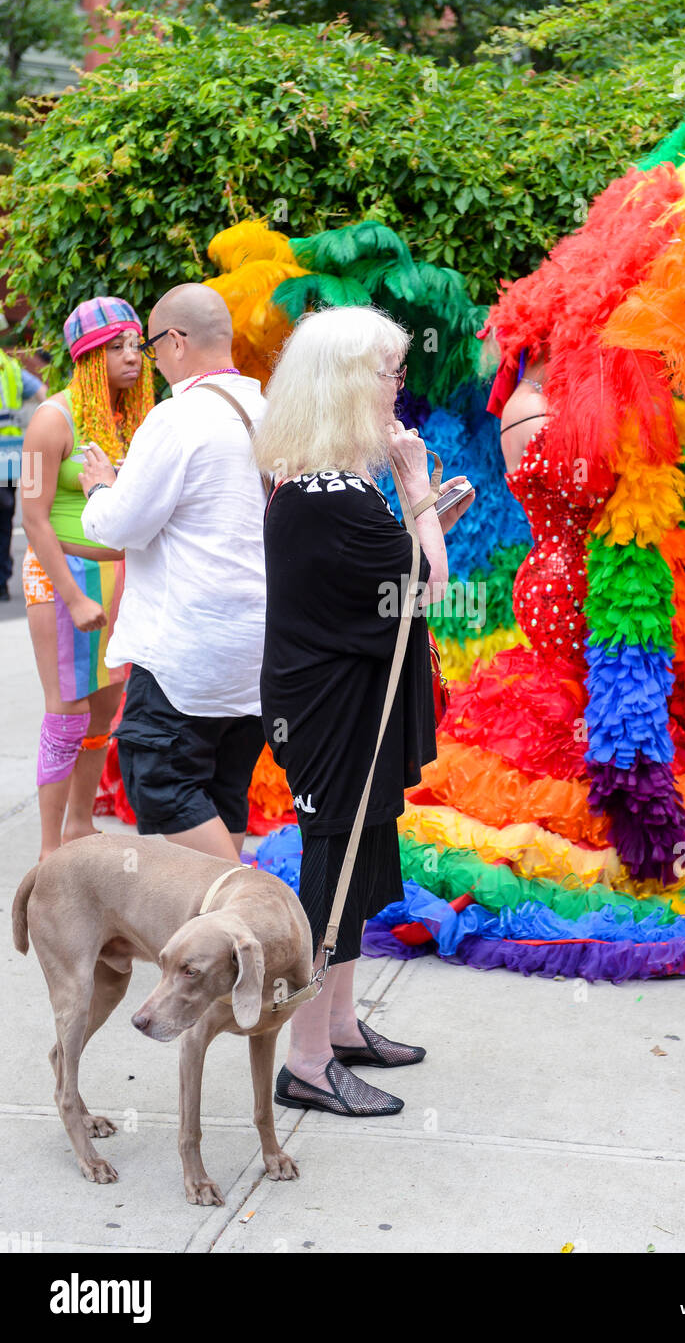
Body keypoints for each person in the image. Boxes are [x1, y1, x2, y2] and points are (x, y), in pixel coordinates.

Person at [257, 305, 473, 1116]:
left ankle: (339, 1026)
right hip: (333, 712)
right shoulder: (329, 494)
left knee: (354, 871)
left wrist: (415, 504)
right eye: (389, 373)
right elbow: (422, 587)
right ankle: (307, 1062)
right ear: (350, 383)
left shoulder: (325, 481)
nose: (399, 387)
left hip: (345, 705)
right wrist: (417, 485)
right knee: (333, 879)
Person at [79, 283, 268, 862]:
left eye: (152, 344)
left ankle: (243, 905)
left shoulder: (177, 417)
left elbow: (120, 526)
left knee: (156, 778)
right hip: (259, 643)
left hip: (190, 646)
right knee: (222, 786)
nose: (150, 359)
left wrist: (101, 487)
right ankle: (220, 936)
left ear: (179, 341)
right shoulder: (268, 410)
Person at [21, 298, 153, 858]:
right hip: (60, 578)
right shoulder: (51, 419)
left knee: (105, 707)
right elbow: (31, 515)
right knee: (67, 709)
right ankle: (52, 846)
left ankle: (80, 825)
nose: (132, 358)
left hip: (118, 575)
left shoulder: (135, 415)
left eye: (136, 345)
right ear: (86, 358)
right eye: (115, 348)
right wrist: (72, 596)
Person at [0, 349, 47, 601]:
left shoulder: (11, 366)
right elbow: (43, 394)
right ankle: (1, 583)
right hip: (6, 454)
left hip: (5, 454)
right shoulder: (10, 366)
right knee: (4, 517)